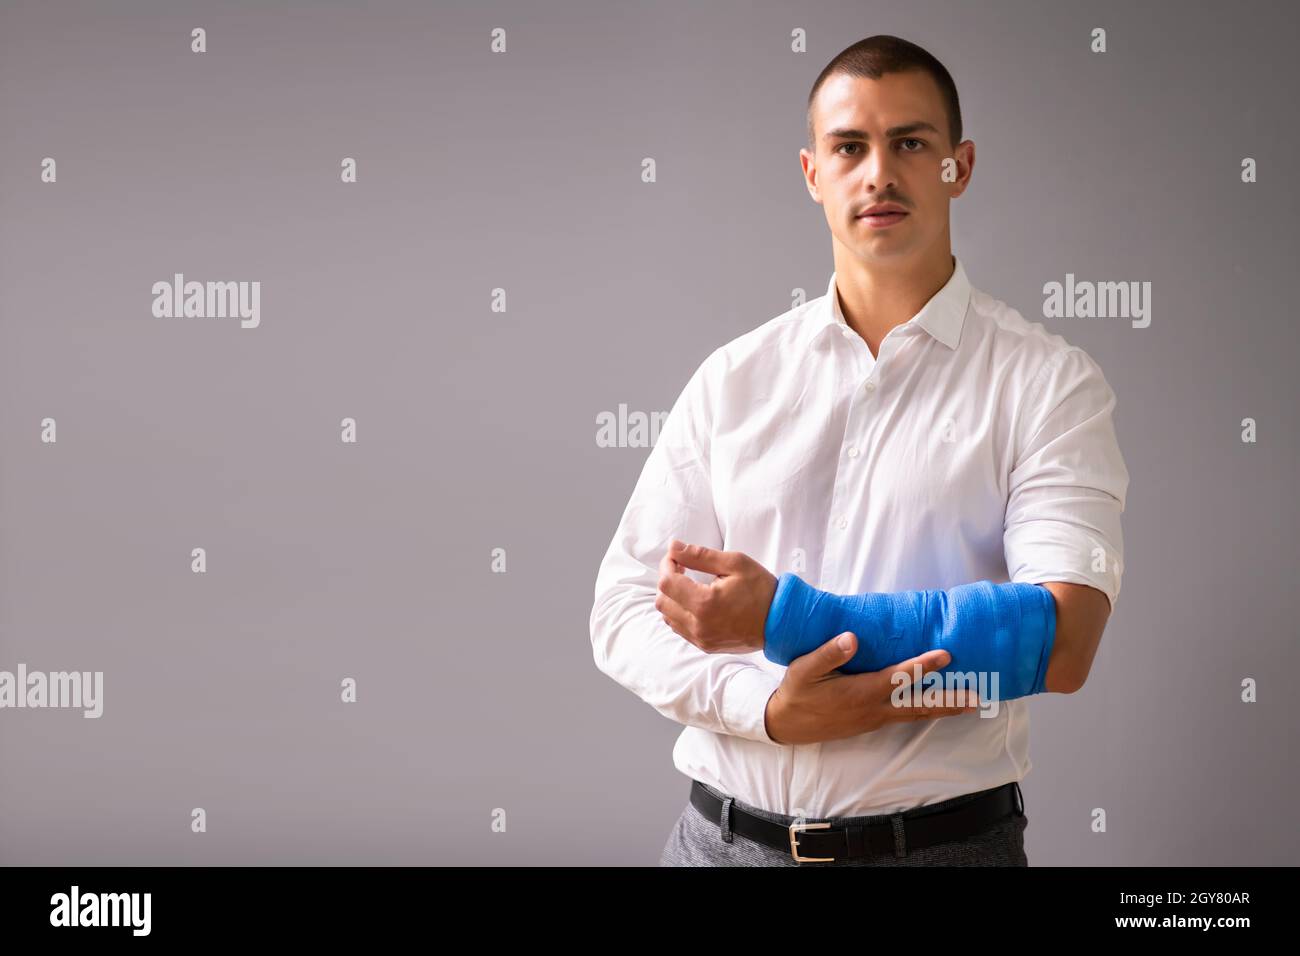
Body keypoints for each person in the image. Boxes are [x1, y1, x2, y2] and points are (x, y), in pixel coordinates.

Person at [588, 34, 1128, 866]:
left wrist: (787, 624)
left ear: (961, 165)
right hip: (717, 844)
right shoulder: (733, 378)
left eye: (911, 143)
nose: (879, 173)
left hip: (941, 850)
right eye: (850, 147)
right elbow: (624, 609)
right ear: (814, 173)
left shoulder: (1048, 383)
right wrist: (767, 709)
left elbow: (1058, 645)